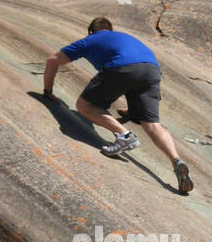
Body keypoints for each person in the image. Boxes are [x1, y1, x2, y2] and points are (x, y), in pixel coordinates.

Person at [43, 17, 194, 195]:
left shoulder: (90, 39)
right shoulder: (125, 38)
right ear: (110, 30)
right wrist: (132, 111)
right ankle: (176, 160)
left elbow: (53, 60)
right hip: (151, 69)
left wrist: (48, 91)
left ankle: (124, 136)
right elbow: (133, 79)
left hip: (122, 67)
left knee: (84, 106)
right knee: (152, 124)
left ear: (91, 32)